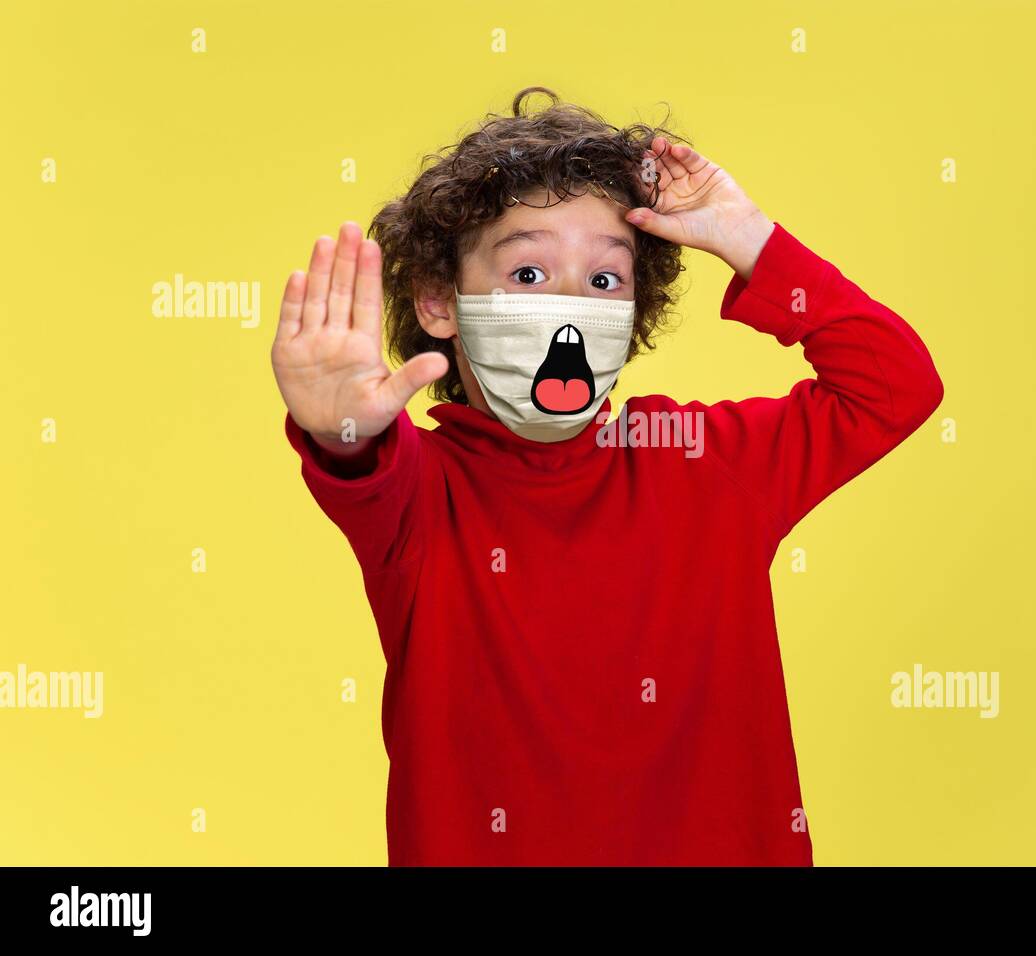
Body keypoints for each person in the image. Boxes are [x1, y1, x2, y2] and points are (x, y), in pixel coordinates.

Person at [271, 87, 944, 865]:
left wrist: (751, 241)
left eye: (602, 281)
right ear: (438, 301)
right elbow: (362, 470)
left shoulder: (703, 461)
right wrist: (342, 430)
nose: (569, 302)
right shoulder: (421, 496)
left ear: (633, 311)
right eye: (528, 272)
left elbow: (895, 386)